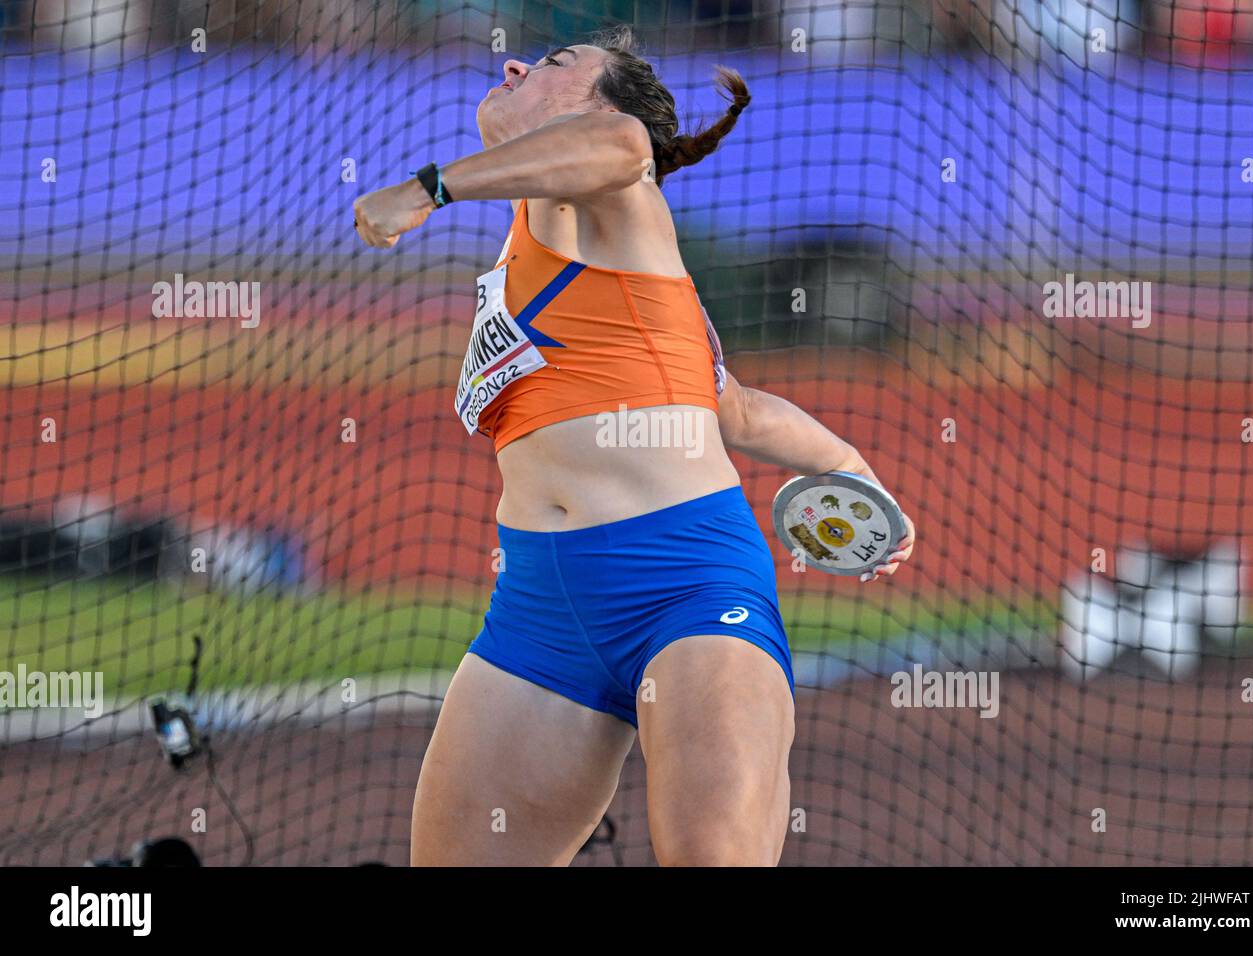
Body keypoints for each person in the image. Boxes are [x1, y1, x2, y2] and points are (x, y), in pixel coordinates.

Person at [353, 24, 915, 866]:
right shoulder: (563, 249)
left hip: (686, 587)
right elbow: (738, 410)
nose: (513, 65)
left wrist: (428, 189)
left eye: (552, 65)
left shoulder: (620, 191)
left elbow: (618, 145)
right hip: (539, 612)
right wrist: (851, 472)